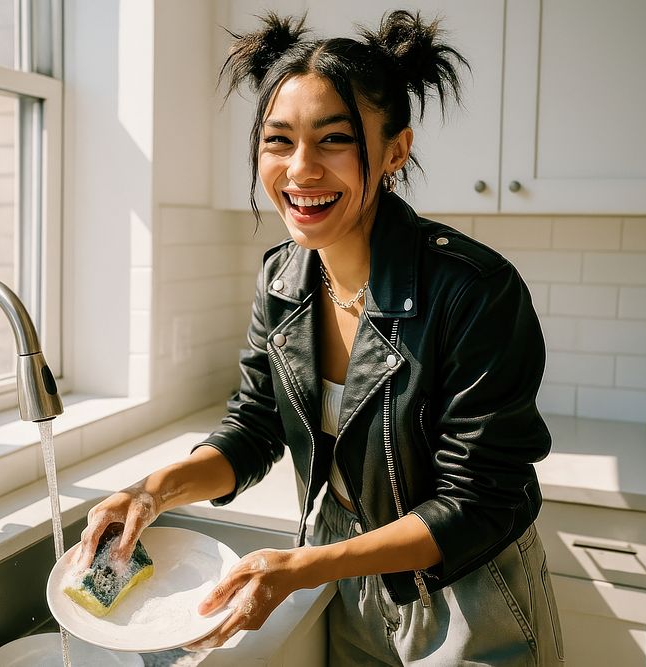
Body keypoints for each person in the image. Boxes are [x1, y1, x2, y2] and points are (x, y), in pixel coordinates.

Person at [74, 10, 564, 666]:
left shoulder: (474, 290)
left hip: (465, 589)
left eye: (333, 140)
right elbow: (253, 430)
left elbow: (478, 500)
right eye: (279, 141)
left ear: (395, 149)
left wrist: (306, 565)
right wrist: (151, 490)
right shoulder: (282, 278)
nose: (301, 170)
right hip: (348, 580)